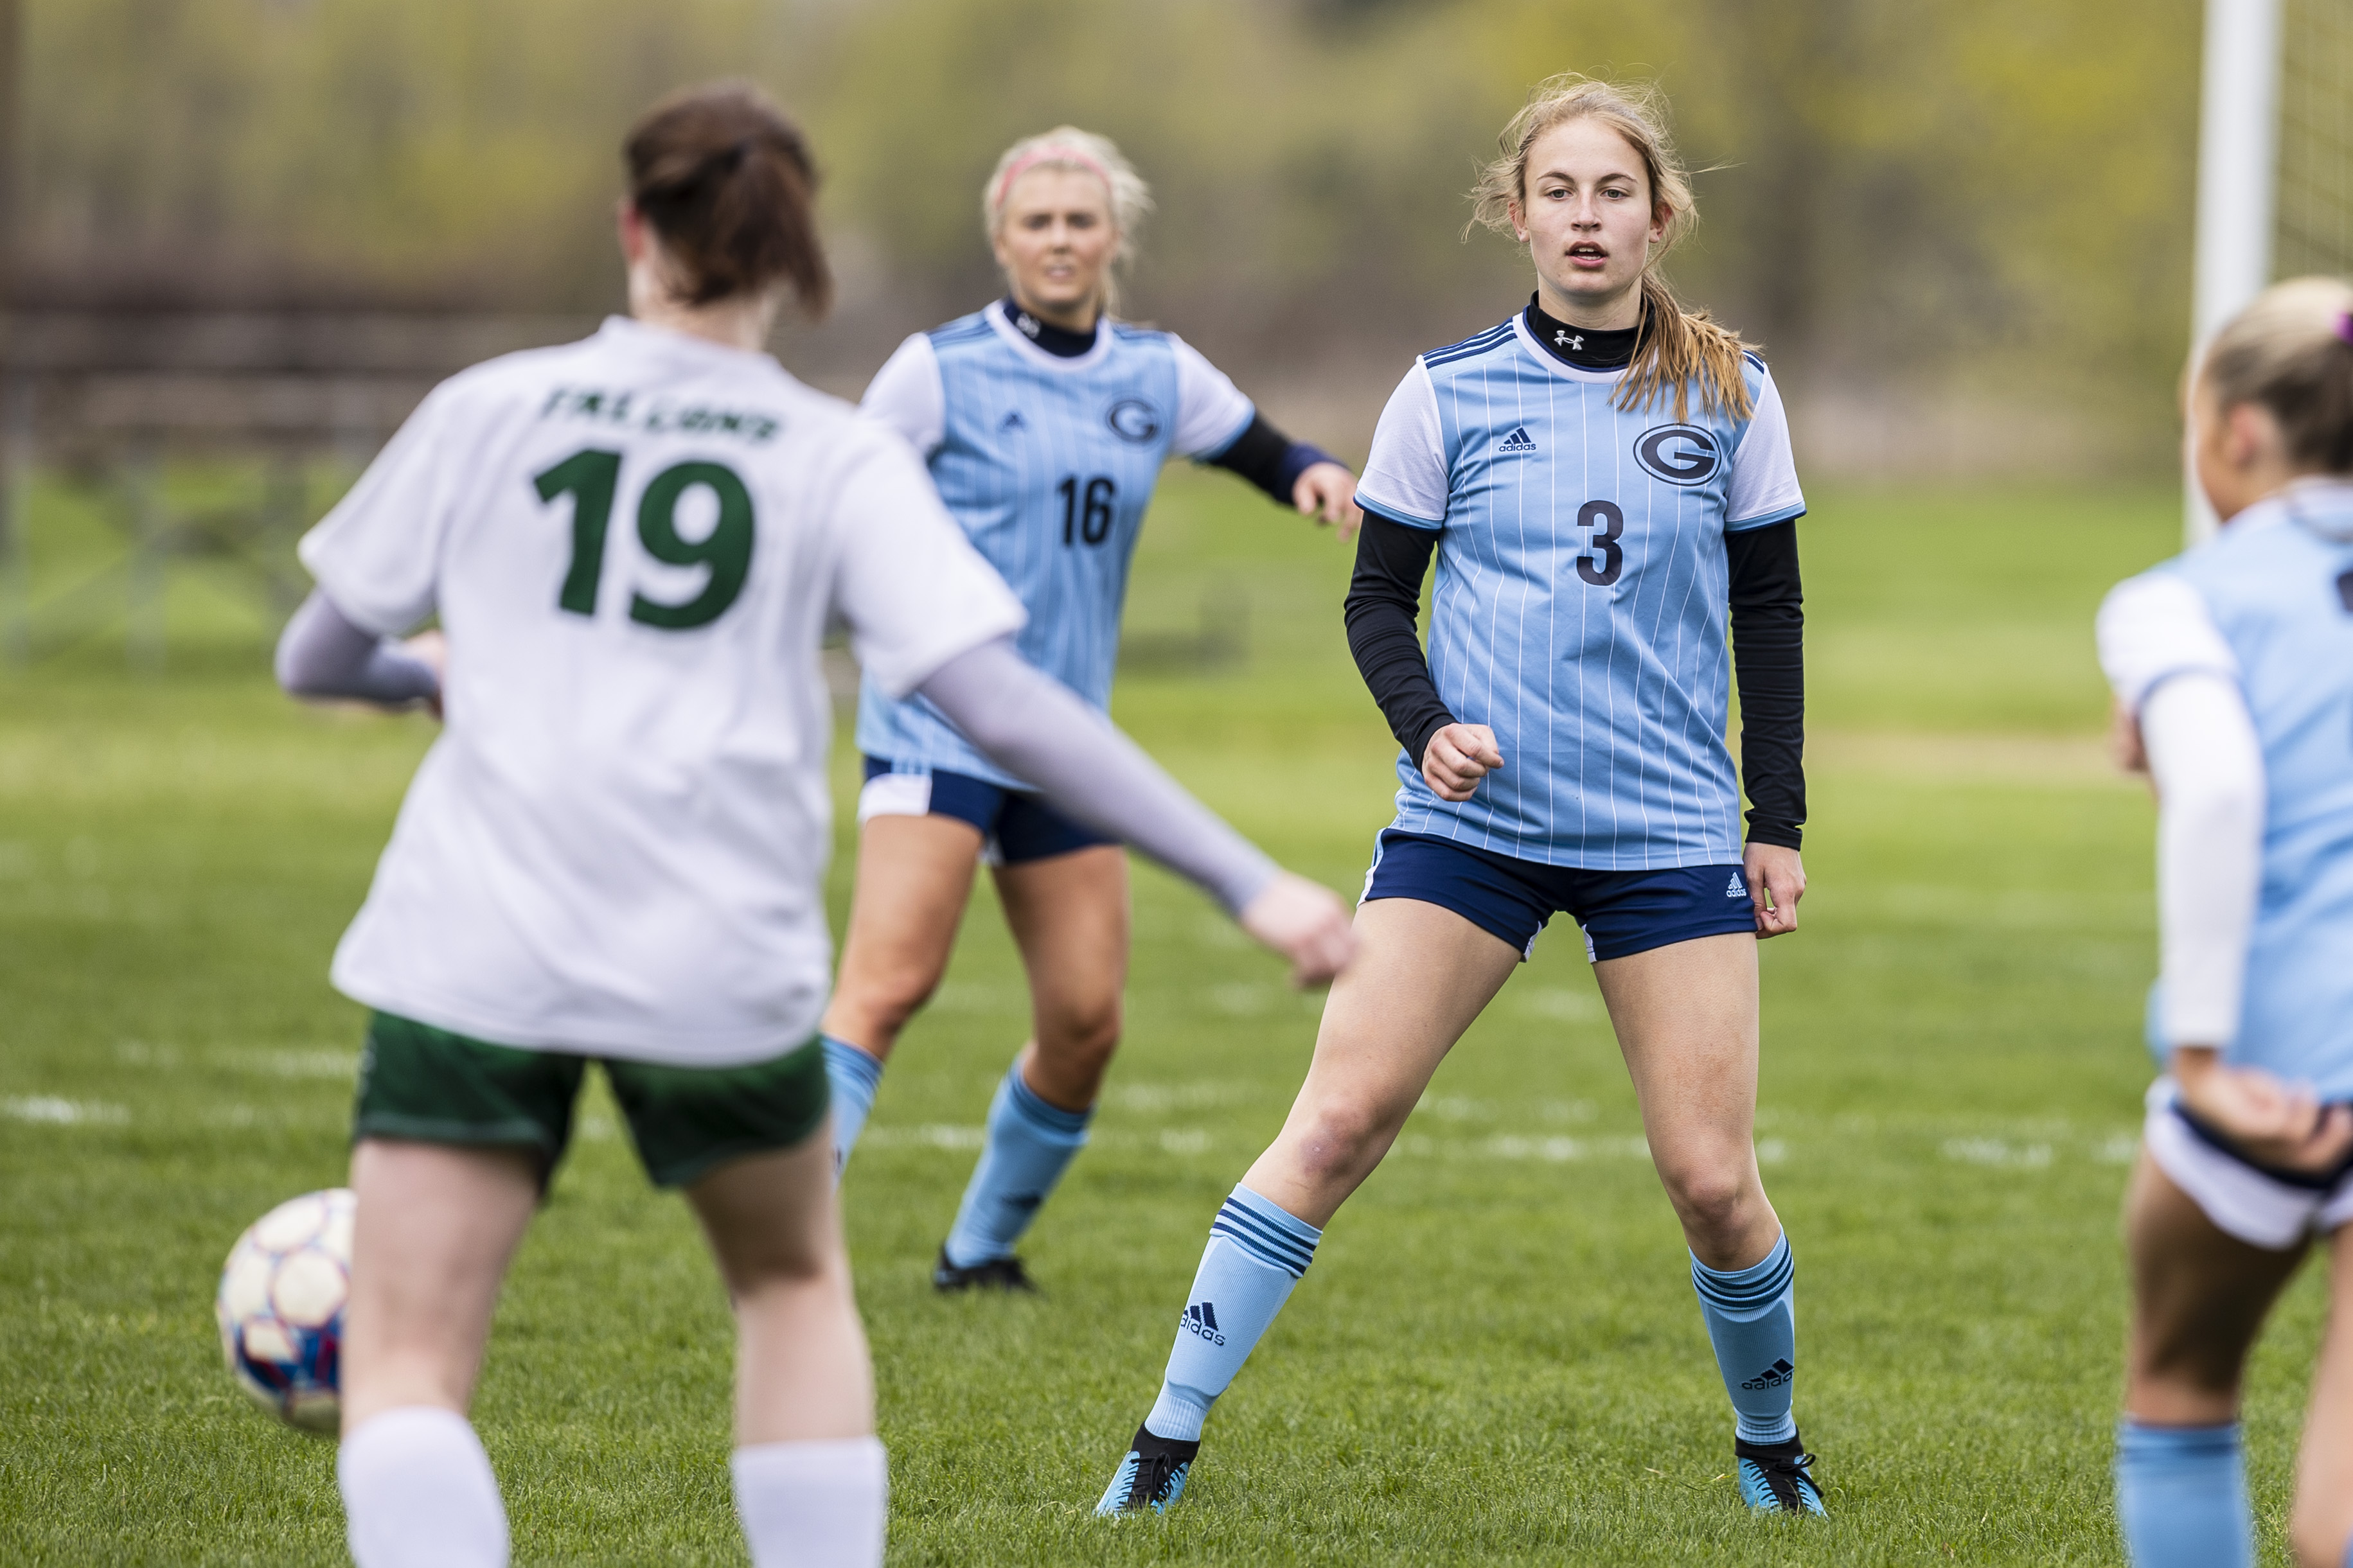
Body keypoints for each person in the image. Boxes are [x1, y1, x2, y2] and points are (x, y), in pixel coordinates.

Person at [272, 81, 1354, 1568]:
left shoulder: (488, 409)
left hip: (472, 934)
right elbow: (1011, 705)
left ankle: (983, 1246)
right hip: (718, 948)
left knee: (403, 1370)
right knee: (791, 1295)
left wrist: (424, 679)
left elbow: (313, 659)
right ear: (799, 262)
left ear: (631, 226)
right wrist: (1251, 882)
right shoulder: (828, 453)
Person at [1094, 73, 1823, 1520]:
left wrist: (1774, 821)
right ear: (1516, 214)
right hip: (1469, 833)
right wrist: (1425, 729)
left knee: (1711, 1183)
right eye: (1558, 191)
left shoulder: (1730, 389)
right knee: (1340, 1115)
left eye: (1614, 191)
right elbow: (1376, 599)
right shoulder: (1446, 388)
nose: (1587, 217)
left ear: (1660, 213)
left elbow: (1772, 616)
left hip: (1665, 837)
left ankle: (1771, 1448)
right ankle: (1162, 1446)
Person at [822, 125, 1361, 1291]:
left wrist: (1316, 476)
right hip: (935, 725)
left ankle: (976, 1254)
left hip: (1067, 746)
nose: (1059, 240)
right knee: (889, 982)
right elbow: (838, 508)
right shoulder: (936, 369)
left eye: (1079, 221)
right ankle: (781, 1252)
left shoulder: (1154, 373)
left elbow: (1265, 449)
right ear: (1002, 240)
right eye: (1037, 222)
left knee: (1084, 1023)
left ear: (1113, 237)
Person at [2097, 276, 2353, 1568]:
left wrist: (2199, 1057)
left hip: (2275, 1061)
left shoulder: (2175, 601)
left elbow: (2223, 790)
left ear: (2236, 434)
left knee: (2184, 1387)